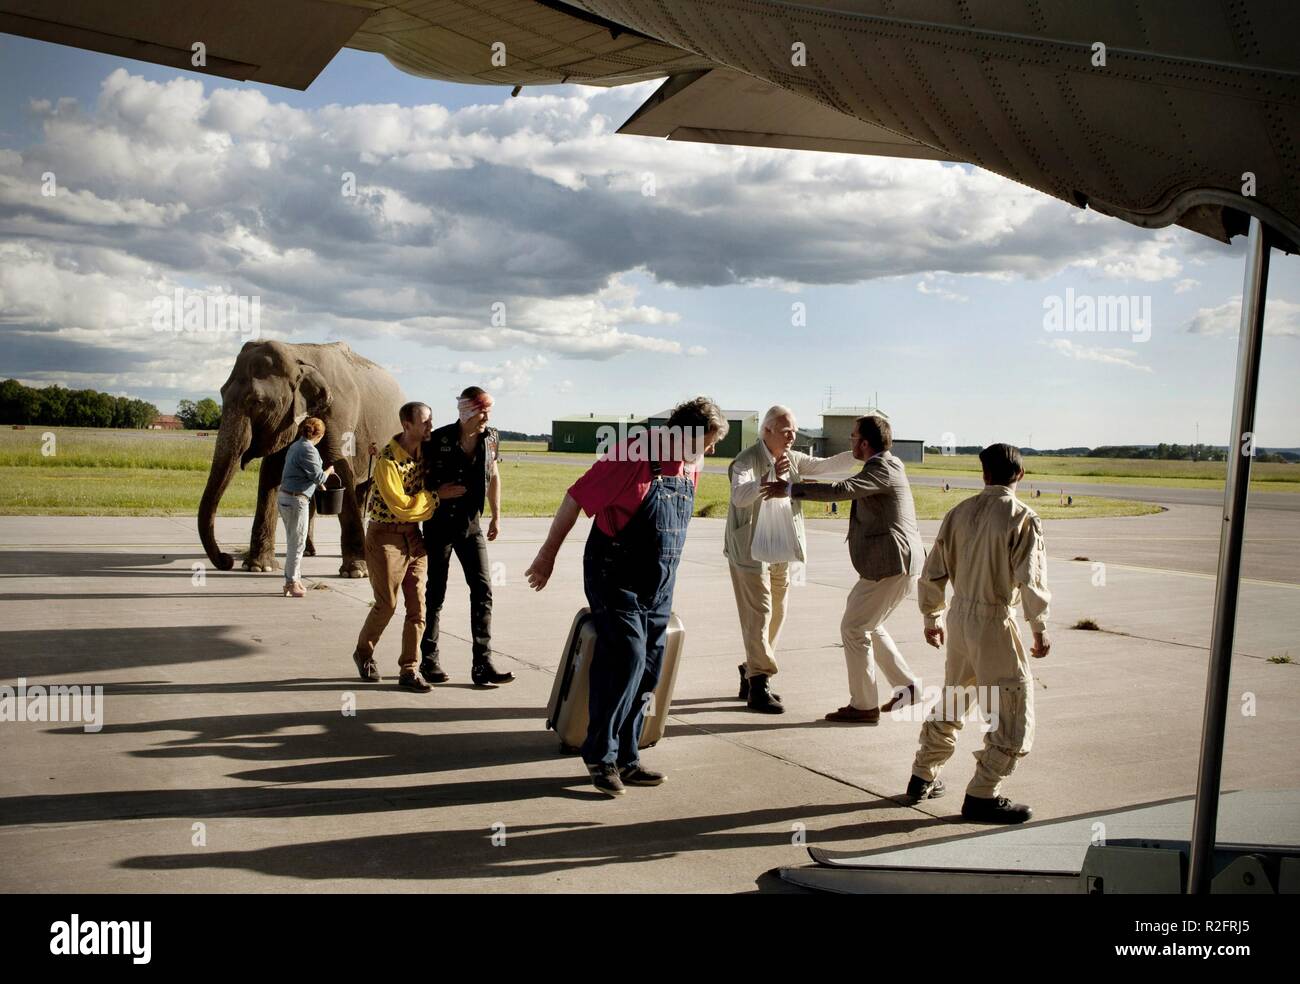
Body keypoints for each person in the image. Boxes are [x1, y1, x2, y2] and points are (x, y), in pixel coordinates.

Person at [526, 398, 728, 797]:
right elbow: (576, 499)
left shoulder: (691, 465)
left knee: (651, 668)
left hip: (658, 580)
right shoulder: (635, 453)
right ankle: (599, 755)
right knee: (626, 657)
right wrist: (546, 556)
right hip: (613, 571)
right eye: (707, 441)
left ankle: (627, 756)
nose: (711, 450)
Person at [905, 443, 1051, 824]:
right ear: (1020, 475)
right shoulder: (1022, 516)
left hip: (959, 617)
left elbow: (933, 570)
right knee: (1011, 709)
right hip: (995, 620)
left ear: (984, 473)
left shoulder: (958, 513)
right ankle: (983, 793)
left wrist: (931, 616)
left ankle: (922, 774)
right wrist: (1039, 626)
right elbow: (1029, 578)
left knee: (956, 696)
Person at [762, 414, 923, 723]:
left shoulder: (882, 468)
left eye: (852, 437)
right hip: (895, 563)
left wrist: (792, 489)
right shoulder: (889, 465)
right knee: (866, 624)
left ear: (864, 443)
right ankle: (906, 687)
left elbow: (842, 490)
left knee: (854, 627)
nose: (850, 442)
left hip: (891, 563)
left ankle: (864, 706)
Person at [726, 405, 856, 713]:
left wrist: (861, 451)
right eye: (787, 431)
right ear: (767, 431)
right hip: (750, 549)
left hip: (781, 548)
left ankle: (751, 667)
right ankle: (759, 683)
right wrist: (768, 479)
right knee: (759, 612)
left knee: (778, 612)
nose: (793, 436)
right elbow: (739, 495)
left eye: (795, 431)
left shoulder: (794, 460)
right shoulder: (746, 460)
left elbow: (827, 466)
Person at [351, 402, 465, 692]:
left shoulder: (425, 451)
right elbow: (402, 507)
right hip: (385, 536)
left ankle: (409, 669)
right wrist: (436, 497)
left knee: (417, 608)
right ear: (407, 425)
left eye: (431, 421)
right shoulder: (388, 461)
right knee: (386, 604)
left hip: (414, 537)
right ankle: (364, 652)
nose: (430, 427)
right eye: (425, 422)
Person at [419, 387, 513, 686]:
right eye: (481, 411)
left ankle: (482, 663)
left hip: (471, 525)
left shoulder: (492, 438)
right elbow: (415, 478)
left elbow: (494, 474)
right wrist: (436, 494)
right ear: (466, 412)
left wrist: (496, 514)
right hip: (438, 525)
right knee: (436, 593)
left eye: (488, 411)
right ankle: (429, 660)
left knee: (483, 591)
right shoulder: (438, 439)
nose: (486, 417)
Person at [277, 416, 333, 597]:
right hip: (296, 500)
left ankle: (295, 579)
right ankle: (291, 582)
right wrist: (329, 472)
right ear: (320, 434)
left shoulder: (296, 446)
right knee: (297, 543)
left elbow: (302, 472)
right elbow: (319, 476)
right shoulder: (309, 449)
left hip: (286, 497)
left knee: (293, 541)